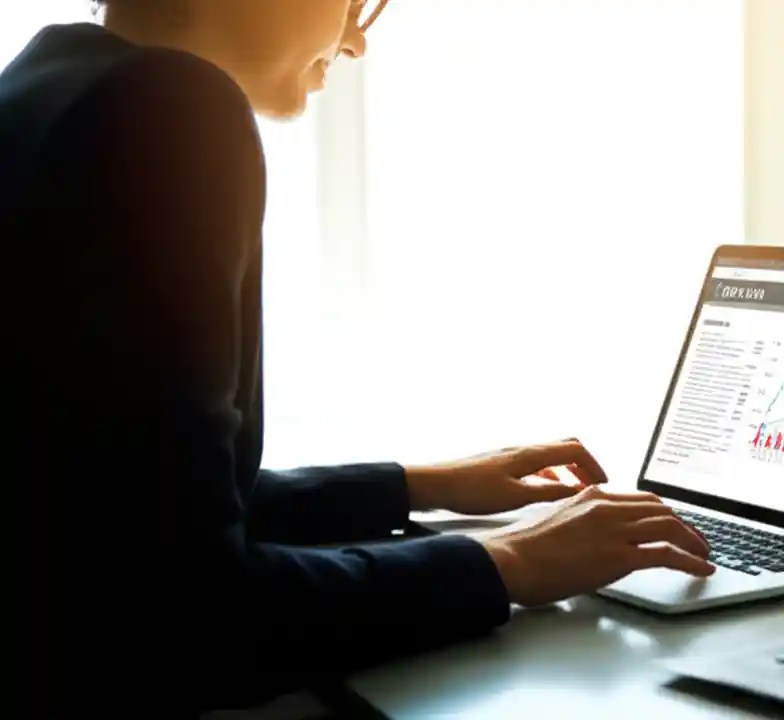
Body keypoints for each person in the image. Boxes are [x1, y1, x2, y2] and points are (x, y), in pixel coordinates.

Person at [0, 0, 714, 715]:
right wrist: (510, 560)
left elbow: (136, 507)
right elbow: (192, 611)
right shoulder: (166, 107)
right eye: (350, 2)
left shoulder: (47, 83)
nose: (353, 39)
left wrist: (417, 486)